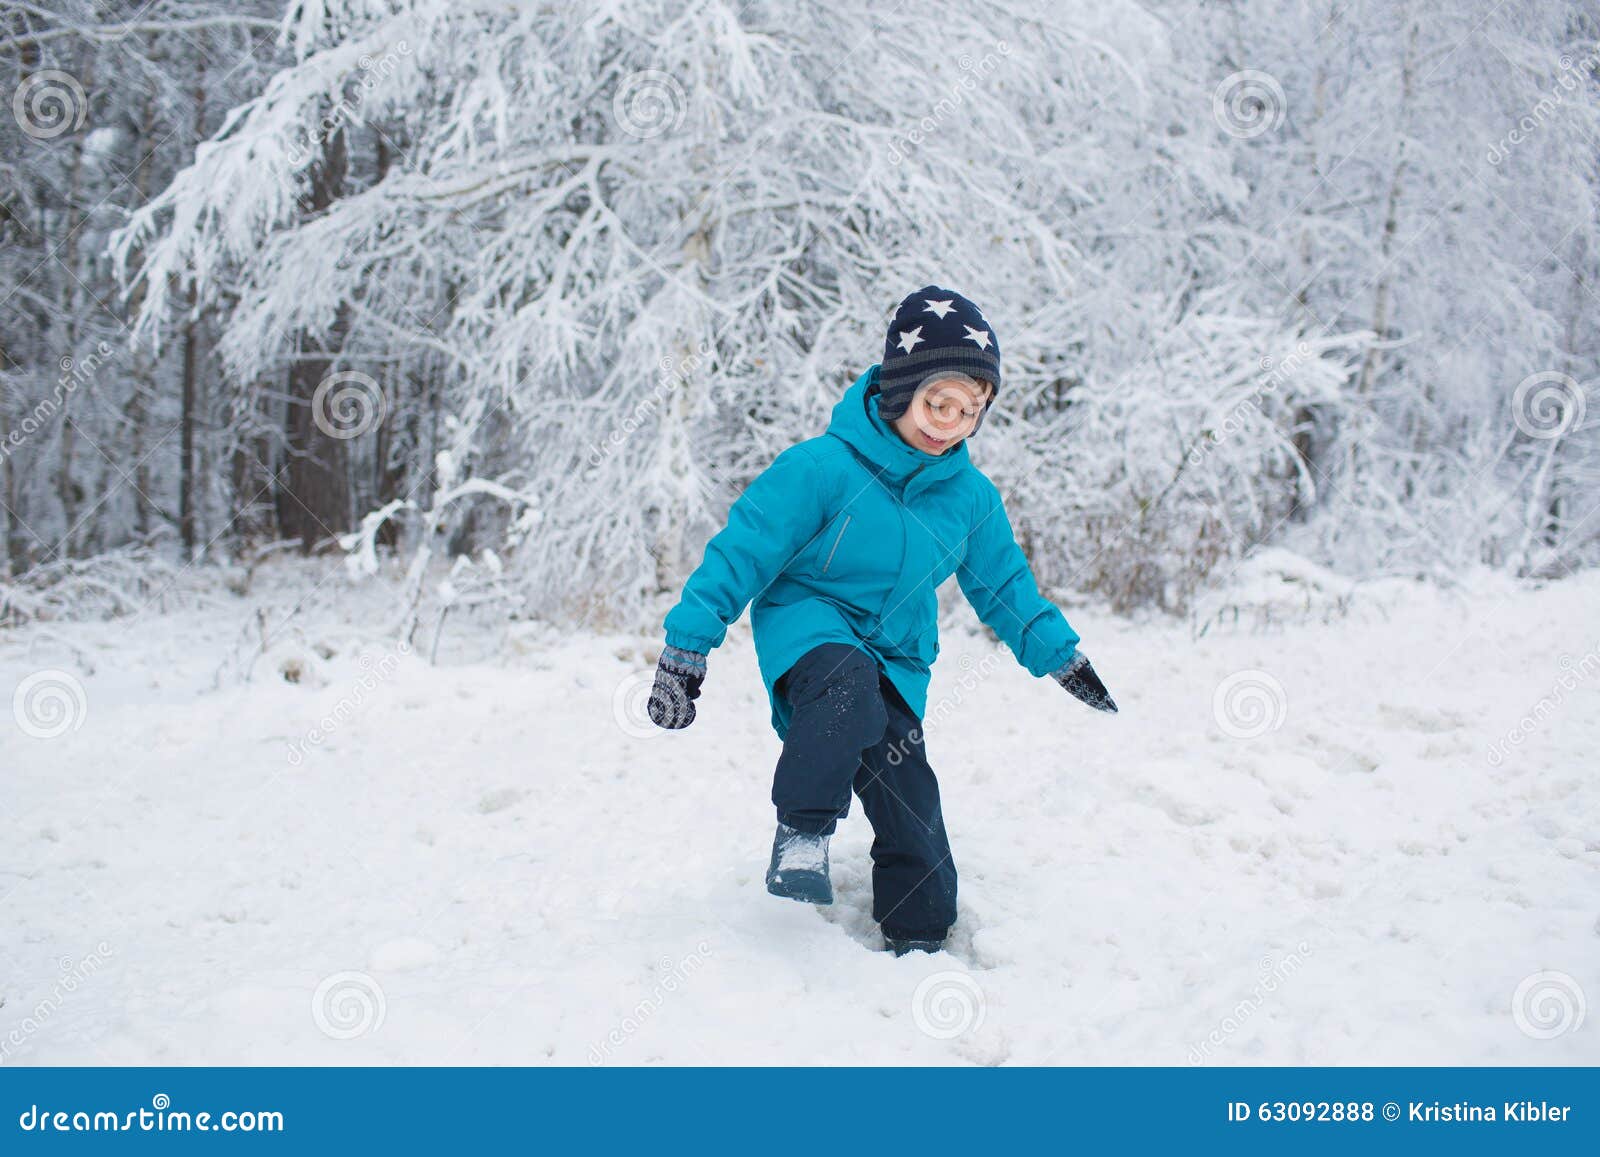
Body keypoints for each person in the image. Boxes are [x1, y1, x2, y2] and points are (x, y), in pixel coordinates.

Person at [648, 285, 1117, 956]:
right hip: (810, 631)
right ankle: (803, 833)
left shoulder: (970, 500)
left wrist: (1060, 655)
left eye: (969, 410)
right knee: (846, 686)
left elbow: (1006, 587)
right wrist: (686, 647)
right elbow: (742, 551)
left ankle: (919, 929)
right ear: (901, 389)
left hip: (895, 657)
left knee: (909, 795)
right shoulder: (818, 469)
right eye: (937, 402)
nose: (950, 422)